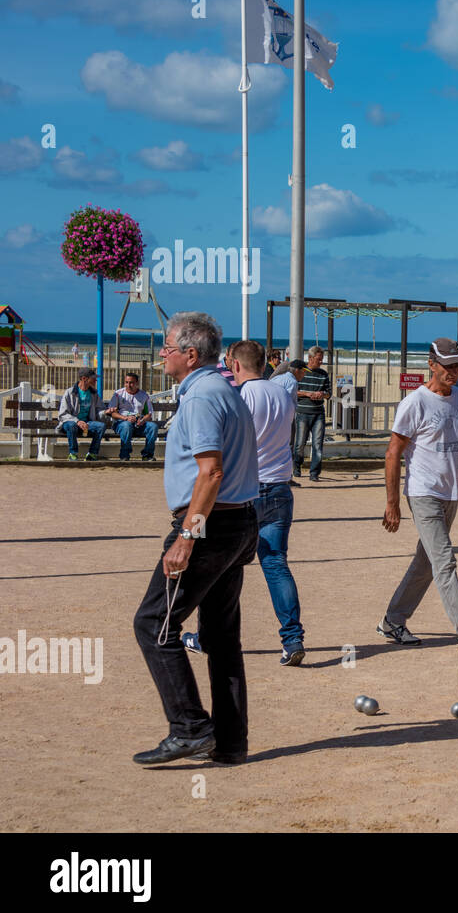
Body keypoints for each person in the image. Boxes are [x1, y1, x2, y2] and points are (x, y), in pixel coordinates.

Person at [130, 311, 259, 765]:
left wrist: (187, 535)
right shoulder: (225, 390)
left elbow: (212, 471)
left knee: (154, 624)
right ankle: (230, 742)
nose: (162, 354)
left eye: (167, 347)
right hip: (238, 522)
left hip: (210, 525)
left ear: (190, 354)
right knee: (222, 638)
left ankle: (189, 728)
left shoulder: (203, 396)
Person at [377, 339, 458, 653]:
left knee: (426, 562)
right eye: (447, 365)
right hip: (423, 493)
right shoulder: (415, 403)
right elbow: (392, 453)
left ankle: (393, 621)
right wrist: (392, 503)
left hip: (452, 493)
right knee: (445, 561)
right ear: (431, 364)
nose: (453, 371)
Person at [228, 340, 306, 666]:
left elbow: (230, 443)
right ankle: (293, 638)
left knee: (224, 567)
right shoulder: (281, 393)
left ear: (235, 365)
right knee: (275, 565)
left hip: (247, 491)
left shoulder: (242, 396)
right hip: (279, 487)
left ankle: (209, 635)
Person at [293, 346, 330, 482]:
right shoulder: (300, 372)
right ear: (310, 358)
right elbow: (293, 390)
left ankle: (314, 473)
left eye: (322, 359)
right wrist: (307, 394)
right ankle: (296, 466)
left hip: (318, 413)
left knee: (317, 444)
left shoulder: (323, 374)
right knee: (300, 443)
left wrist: (323, 394)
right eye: (318, 359)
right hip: (302, 412)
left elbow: (329, 393)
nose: (321, 362)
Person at [105, 371, 159, 462]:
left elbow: (149, 414)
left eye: (131, 383)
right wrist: (125, 418)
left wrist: (143, 420)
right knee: (127, 426)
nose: (128, 385)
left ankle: (147, 455)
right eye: (126, 382)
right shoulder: (118, 394)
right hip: (121, 422)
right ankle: (125, 455)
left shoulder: (144, 396)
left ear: (136, 383)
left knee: (153, 427)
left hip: (138, 423)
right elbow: (112, 412)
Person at [57, 368, 106, 461]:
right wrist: (77, 421)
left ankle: (92, 454)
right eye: (93, 378)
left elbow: (99, 410)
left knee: (101, 426)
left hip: (87, 424)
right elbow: (63, 414)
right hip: (70, 423)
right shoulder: (70, 392)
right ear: (84, 378)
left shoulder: (93, 393)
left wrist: (106, 412)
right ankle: (73, 454)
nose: (96, 380)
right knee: (71, 425)